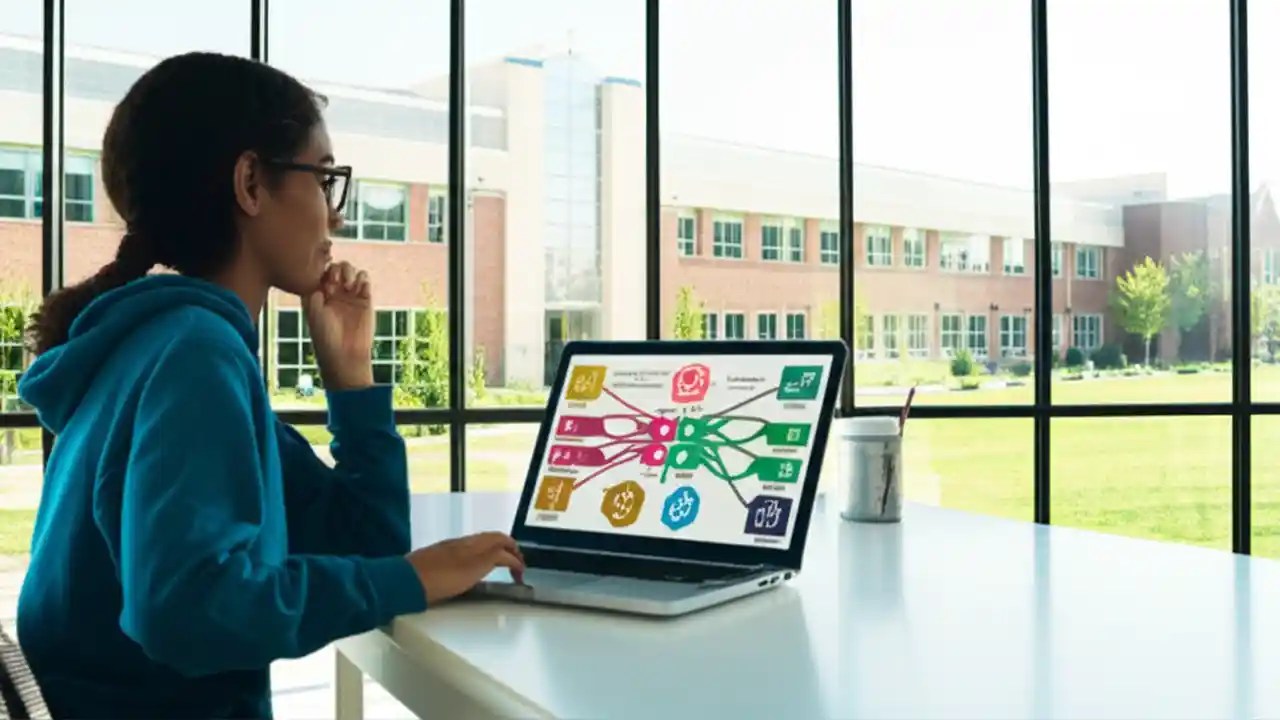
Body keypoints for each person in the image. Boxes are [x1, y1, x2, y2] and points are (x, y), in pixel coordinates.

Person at [15, 52, 524, 719]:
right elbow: (188, 611)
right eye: (325, 179)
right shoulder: (193, 356)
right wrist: (414, 578)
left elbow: (365, 538)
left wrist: (351, 384)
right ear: (251, 183)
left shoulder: (164, 347)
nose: (335, 216)